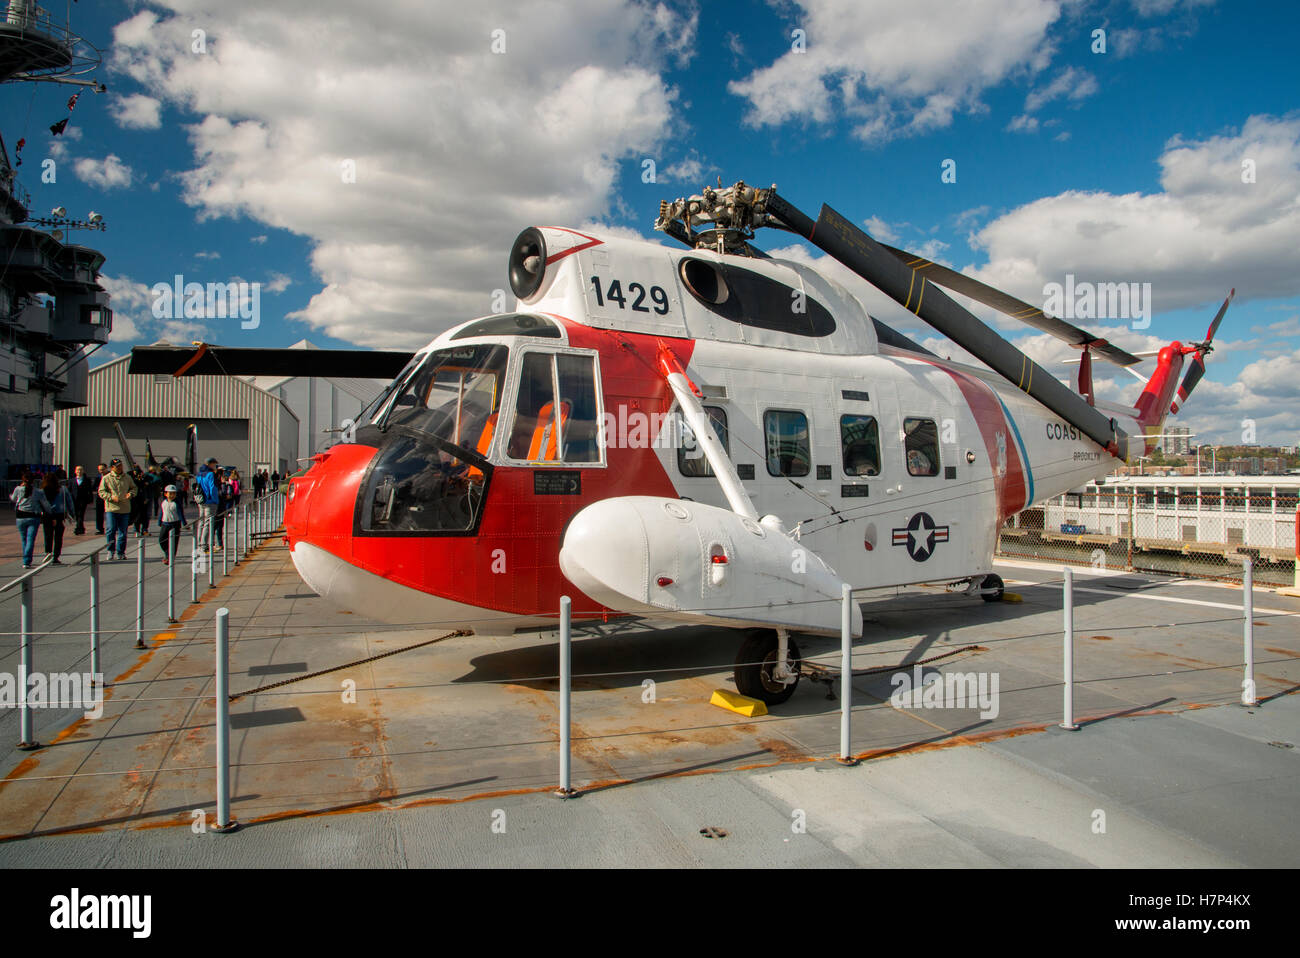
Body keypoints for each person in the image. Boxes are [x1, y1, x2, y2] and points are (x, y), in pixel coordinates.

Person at [99, 458, 136, 559]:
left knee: (122, 532)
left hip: (124, 508)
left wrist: (131, 494)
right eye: (117, 466)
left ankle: (121, 552)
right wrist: (111, 497)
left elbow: (134, 488)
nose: (120, 468)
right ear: (112, 468)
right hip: (112, 508)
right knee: (111, 529)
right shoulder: (106, 478)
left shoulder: (127, 477)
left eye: (121, 465)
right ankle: (110, 550)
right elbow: (101, 492)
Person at [10, 471, 47, 568]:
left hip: (21, 516)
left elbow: (13, 499)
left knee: (24, 539)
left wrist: (12, 495)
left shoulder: (18, 489)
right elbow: (45, 503)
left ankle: (25, 559)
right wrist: (49, 512)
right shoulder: (37, 491)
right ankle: (27, 560)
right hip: (33, 516)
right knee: (30, 539)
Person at [40, 473, 75, 564]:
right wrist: (72, 513)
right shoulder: (63, 489)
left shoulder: (43, 491)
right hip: (59, 515)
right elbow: (69, 501)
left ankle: (48, 553)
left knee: (48, 535)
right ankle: (56, 556)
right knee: (58, 537)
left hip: (47, 515)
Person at [195, 457, 223, 552]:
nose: (215, 466)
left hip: (201, 500)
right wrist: (216, 500)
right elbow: (213, 488)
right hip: (210, 501)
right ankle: (204, 545)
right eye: (214, 464)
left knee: (202, 522)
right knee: (208, 523)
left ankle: (199, 543)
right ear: (210, 464)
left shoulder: (199, 474)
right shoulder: (210, 474)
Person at [157, 484, 187, 566]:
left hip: (175, 524)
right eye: (170, 493)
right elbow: (162, 512)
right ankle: (167, 553)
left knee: (174, 542)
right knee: (161, 540)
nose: (172, 495)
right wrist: (159, 521)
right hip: (165, 524)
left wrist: (184, 524)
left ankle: (170, 558)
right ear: (165, 494)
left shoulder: (176, 503)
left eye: (173, 493)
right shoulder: (164, 503)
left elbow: (181, 514)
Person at [70, 465, 94, 535]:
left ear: (83, 471)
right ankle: (81, 527)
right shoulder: (72, 481)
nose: (79, 471)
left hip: (83, 500)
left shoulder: (87, 480)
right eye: (78, 470)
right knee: (77, 514)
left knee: (81, 514)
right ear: (75, 471)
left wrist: (91, 499)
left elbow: (90, 490)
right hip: (74, 500)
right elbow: (69, 490)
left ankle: (78, 528)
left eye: (80, 470)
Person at [92, 462, 107, 534]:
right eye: (100, 470)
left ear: (106, 469)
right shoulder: (98, 477)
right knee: (99, 514)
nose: (101, 471)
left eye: (102, 469)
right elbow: (94, 487)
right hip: (100, 498)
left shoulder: (110, 476)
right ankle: (100, 529)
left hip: (108, 498)